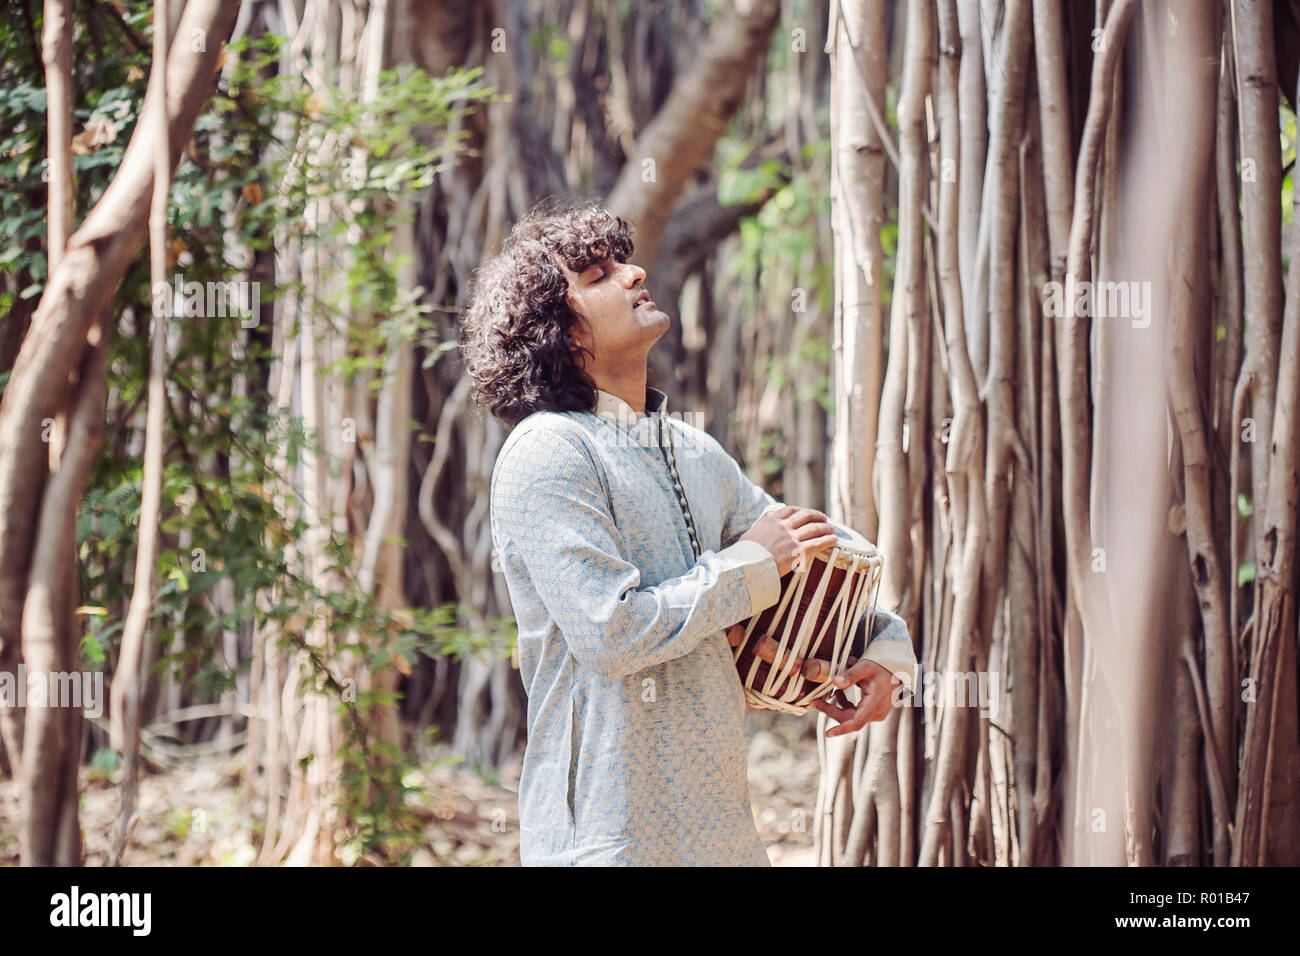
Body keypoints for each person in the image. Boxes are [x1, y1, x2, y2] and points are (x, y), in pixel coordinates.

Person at [459, 198, 917, 866]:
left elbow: (811, 558)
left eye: (624, 261)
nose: (634, 274)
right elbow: (609, 632)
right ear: (561, 333)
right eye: (598, 275)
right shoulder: (548, 451)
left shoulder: (693, 451)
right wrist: (749, 568)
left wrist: (884, 647)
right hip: (604, 842)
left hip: (724, 839)